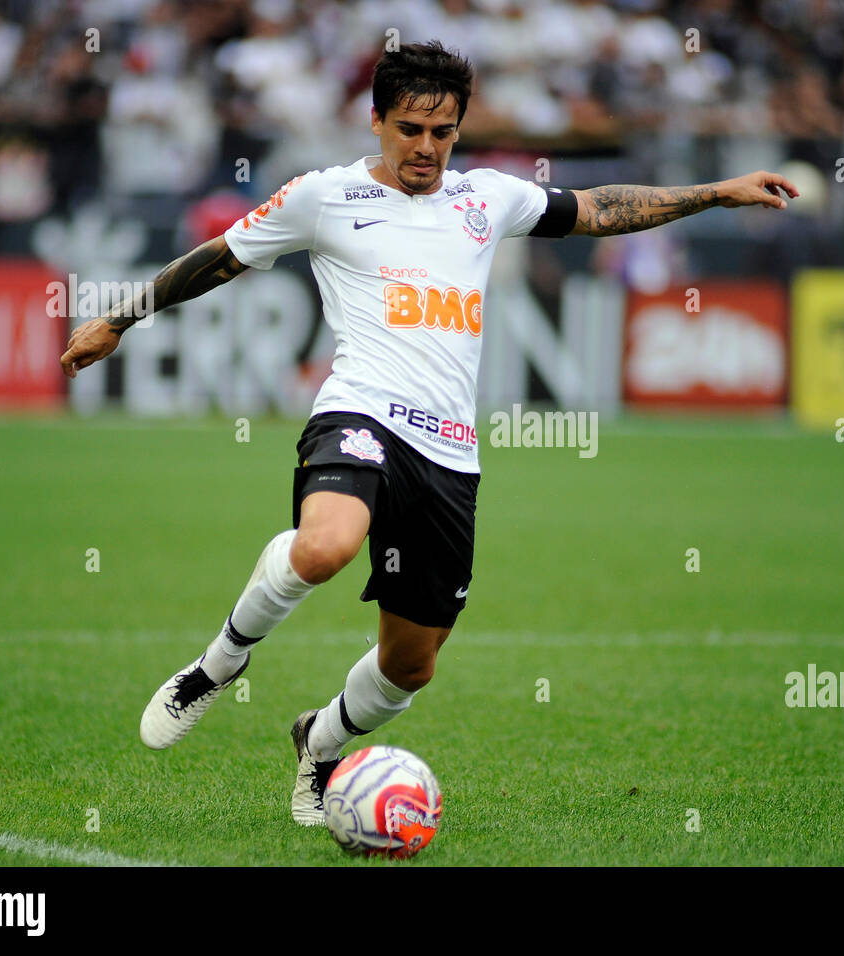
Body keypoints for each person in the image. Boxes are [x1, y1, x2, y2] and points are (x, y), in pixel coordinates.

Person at [58, 40, 797, 827]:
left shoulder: (486, 200)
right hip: (360, 412)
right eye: (411, 128)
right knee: (324, 547)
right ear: (376, 120)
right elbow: (221, 258)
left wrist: (717, 191)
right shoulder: (324, 196)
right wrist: (118, 318)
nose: (426, 148)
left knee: (410, 668)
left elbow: (598, 209)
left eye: (443, 132)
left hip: (449, 451)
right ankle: (217, 667)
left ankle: (319, 741)